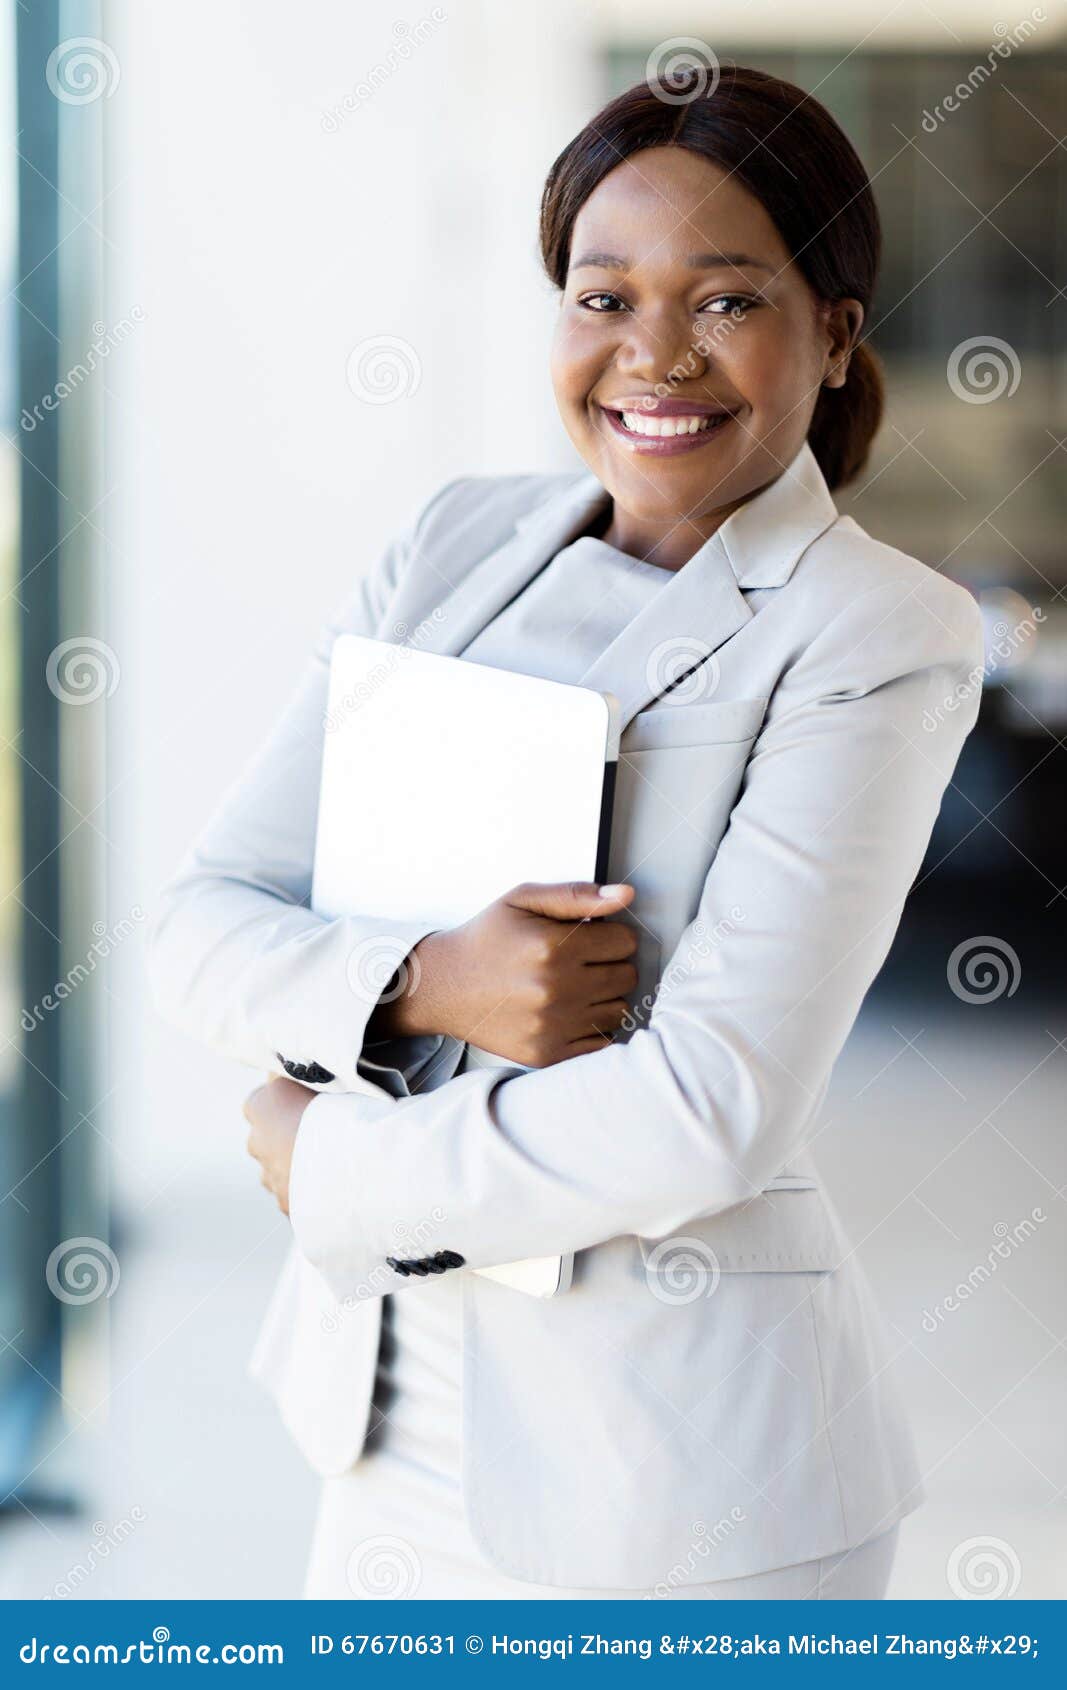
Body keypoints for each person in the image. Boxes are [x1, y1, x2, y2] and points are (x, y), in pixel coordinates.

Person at [148, 63, 984, 1599]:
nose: (655, 353)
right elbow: (204, 916)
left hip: (682, 1469)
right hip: (383, 1409)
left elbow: (710, 1105)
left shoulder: (876, 628)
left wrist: (337, 1160)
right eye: (605, 296)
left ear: (834, 333)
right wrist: (425, 980)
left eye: (726, 300)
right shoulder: (453, 541)